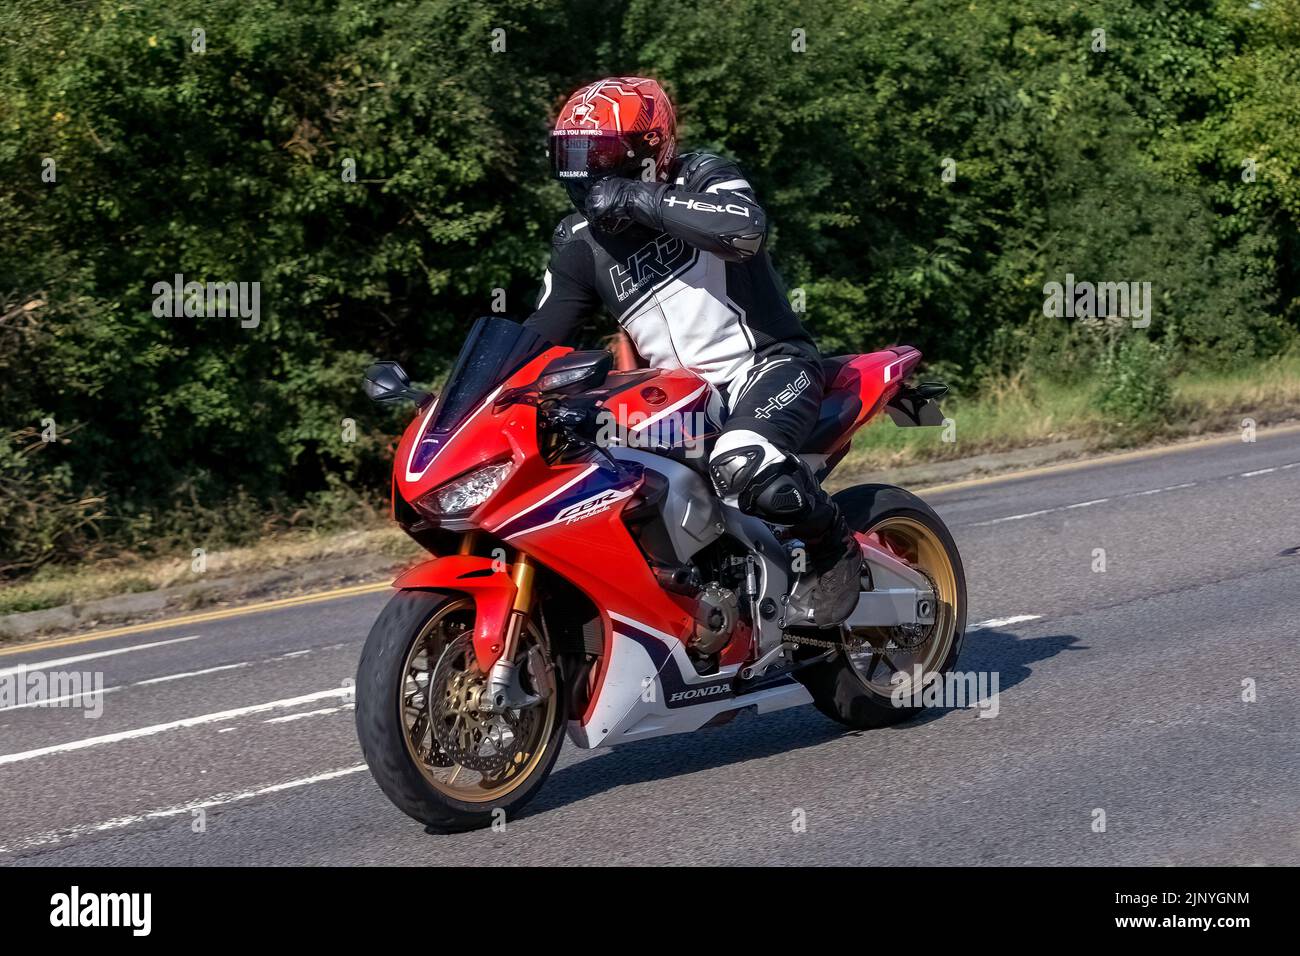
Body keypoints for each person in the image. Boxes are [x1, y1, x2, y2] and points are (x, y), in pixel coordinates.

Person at [524, 76, 859, 627]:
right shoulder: (581, 243)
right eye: (572, 155)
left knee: (742, 458)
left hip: (769, 366)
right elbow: (540, 334)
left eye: (599, 155)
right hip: (674, 398)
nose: (585, 173)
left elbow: (746, 230)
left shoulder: (703, 175)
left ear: (649, 149)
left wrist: (637, 199)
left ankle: (830, 548)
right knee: (599, 483)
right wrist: (466, 399)